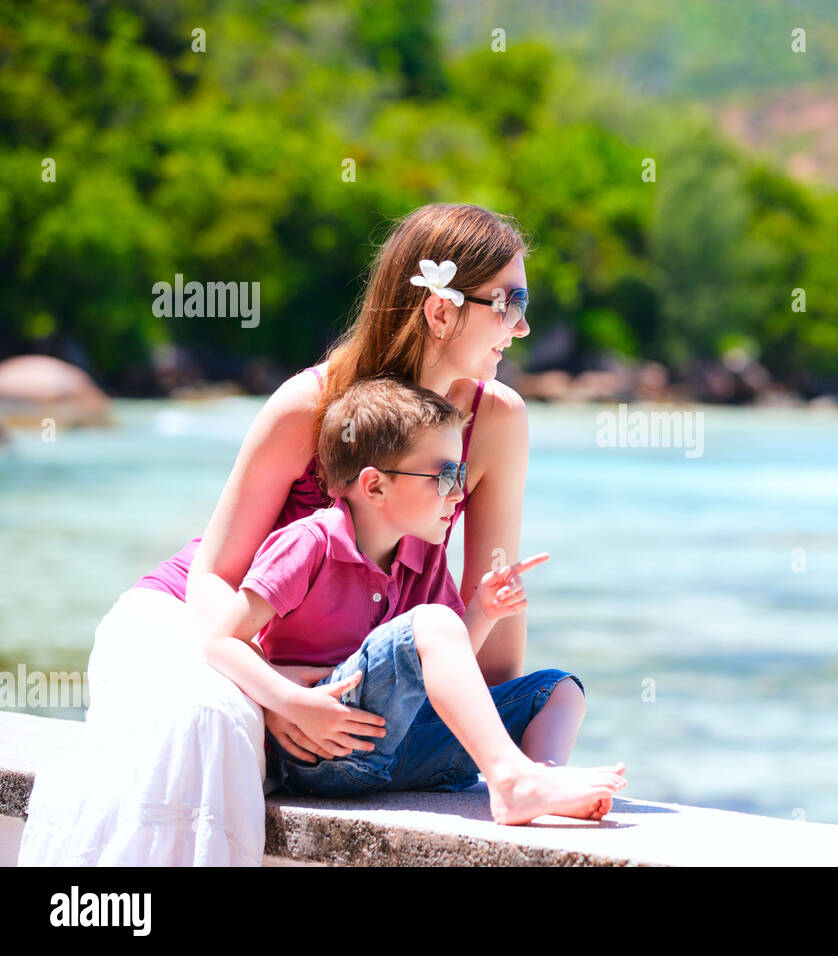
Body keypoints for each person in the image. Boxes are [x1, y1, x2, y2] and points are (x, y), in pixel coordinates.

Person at [19, 203, 591, 865]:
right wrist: (280, 695)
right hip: (196, 621)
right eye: (508, 301)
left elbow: (490, 665)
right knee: (216, 722)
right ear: (440, 311)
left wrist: (462, 711)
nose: (522, 325)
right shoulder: (310, 404)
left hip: (323, 666)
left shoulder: (496, 421)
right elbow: (213, 577)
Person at [203, 374, 626, 822]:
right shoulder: (309, 543)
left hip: (404, 751)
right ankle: (512, 783)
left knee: (557, 690)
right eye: (445, 476)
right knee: (434, 622)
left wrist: (482, 611)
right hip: (321, 747)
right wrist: (289, 703)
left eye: (460, 474)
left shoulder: (423, 556)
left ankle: (540, 779)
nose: (459, 492)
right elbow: (219, 642)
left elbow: (442, 668)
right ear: (375, 487)